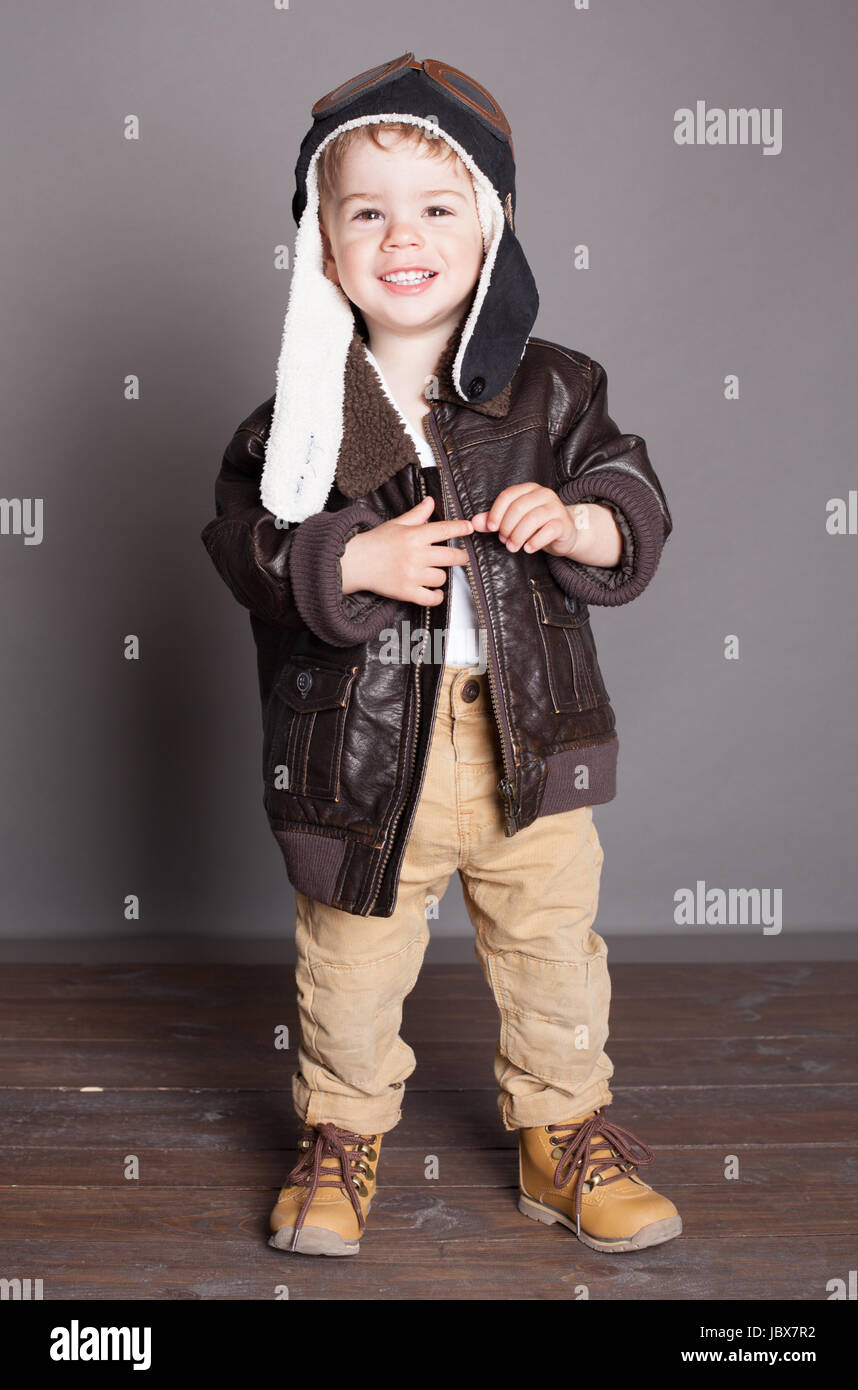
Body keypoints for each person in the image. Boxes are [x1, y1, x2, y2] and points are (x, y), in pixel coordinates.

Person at [201, 54, 679, 1258]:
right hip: (361, 759)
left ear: (493, 227)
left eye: (433, 207)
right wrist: (345, 560)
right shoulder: (301, 413)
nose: (400, 237)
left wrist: (577, 521)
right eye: (365, 213)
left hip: (527, 736)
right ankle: (340, 1133)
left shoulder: (554, 390)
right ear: (322, 246)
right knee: (349, 965)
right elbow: (243, 545)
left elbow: (633, 501)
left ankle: (560, 1134)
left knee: (552, 953)